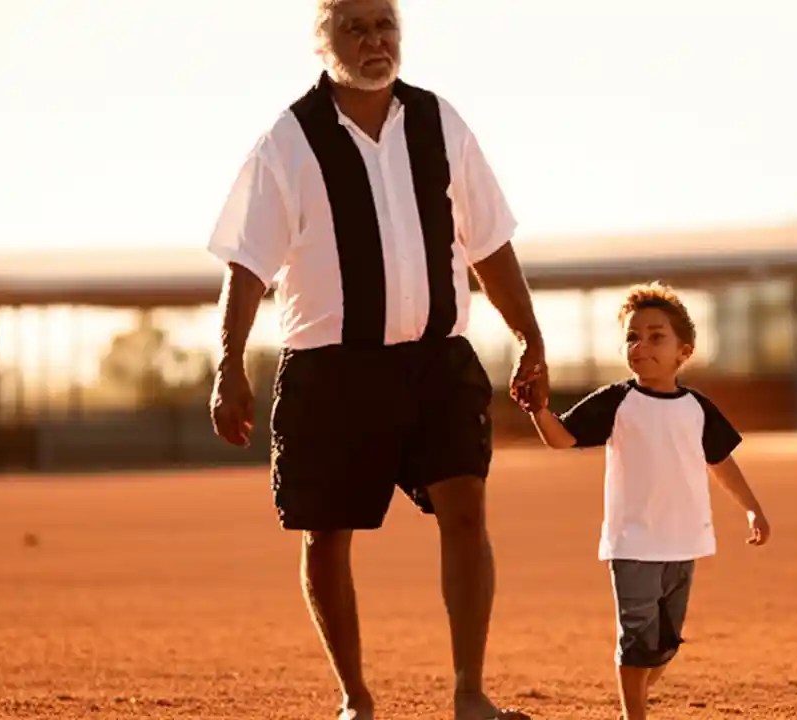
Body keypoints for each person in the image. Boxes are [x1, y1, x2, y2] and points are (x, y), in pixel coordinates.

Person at [206, 1, 545, 718]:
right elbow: (247, 266)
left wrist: (529, 336)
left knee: (466, 508)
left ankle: (469, 695)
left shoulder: (439, 123)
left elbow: (488, 243)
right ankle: (356, 699)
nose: (374, 40)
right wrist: (228, 365)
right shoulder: (288, 141)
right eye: (354, 28)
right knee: (326, 533)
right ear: (323, 42)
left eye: (385, 25)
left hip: (437, 364)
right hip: (331, 373)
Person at [524, 282, 770, 720]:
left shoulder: (697, 408)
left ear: (684, 351)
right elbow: (561, 438)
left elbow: (721, 460)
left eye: (656, 336)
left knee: (666, 645)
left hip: (683, 542)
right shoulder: (617, 402)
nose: (641, 345)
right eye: (632, 337)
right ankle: (633, 715)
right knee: (637, 640)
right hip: (633, 543)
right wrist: (538, 410)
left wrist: (752, 507)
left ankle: (631, 696)